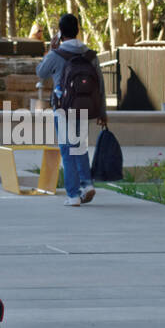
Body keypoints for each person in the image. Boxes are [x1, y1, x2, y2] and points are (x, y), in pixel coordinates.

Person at [36, 12, 108, 205]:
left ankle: (73, 195)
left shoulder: (56, 54)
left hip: (63, 107)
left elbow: (41, 73)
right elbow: (100, 84)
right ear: (77, 31)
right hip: (84, 107)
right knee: (79, 146)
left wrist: (50, 50)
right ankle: (87, 183)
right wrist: (103, 112)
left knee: (67, 149)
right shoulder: (90, 54)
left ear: (60, 33)